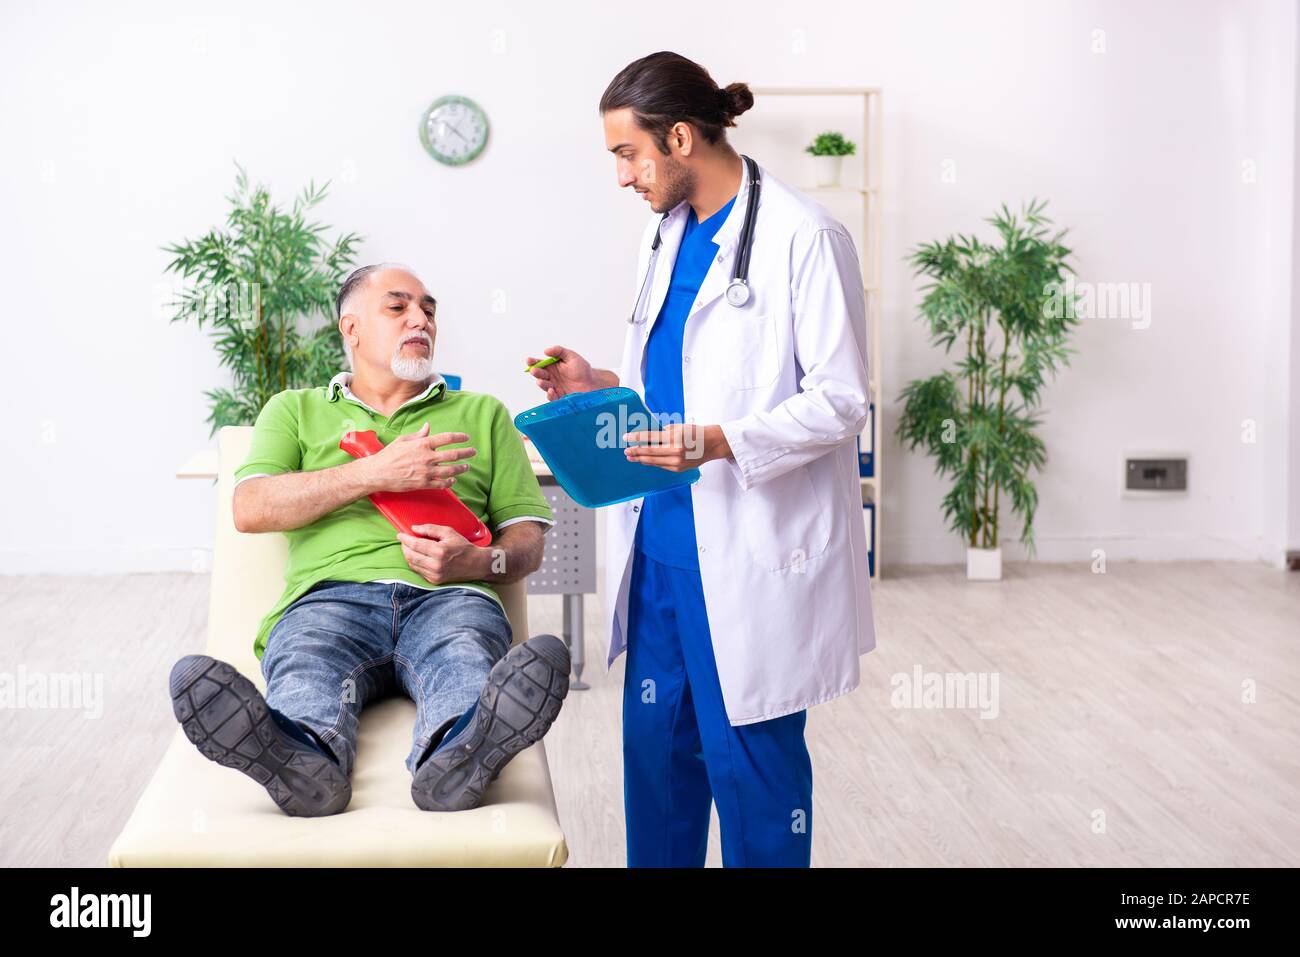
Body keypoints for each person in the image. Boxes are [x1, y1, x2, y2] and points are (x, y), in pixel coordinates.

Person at [527, 52, 877, 867]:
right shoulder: (666, 234)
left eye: (627, 153)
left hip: (752, 555)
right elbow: (679, 377)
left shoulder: (806, 236)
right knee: (657, 766)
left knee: (752, 773)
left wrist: (718, 441)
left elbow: (840, 400)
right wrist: (599, 383)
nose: (621, 176)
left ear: (679, 136)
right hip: (660, 552)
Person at [170, 263, 569, 817]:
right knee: (307, 665)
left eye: (429, 309)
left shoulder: (483, 412)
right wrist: (376, 472)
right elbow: (250, 507)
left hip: (451, 598)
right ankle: (302, 759)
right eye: (398, 306)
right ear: (351, 328)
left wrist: (478, 561)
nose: (421, 319)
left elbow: (526, 542)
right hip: (328, 599)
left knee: (463, 661)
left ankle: (457, 753)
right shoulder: (294, 409)